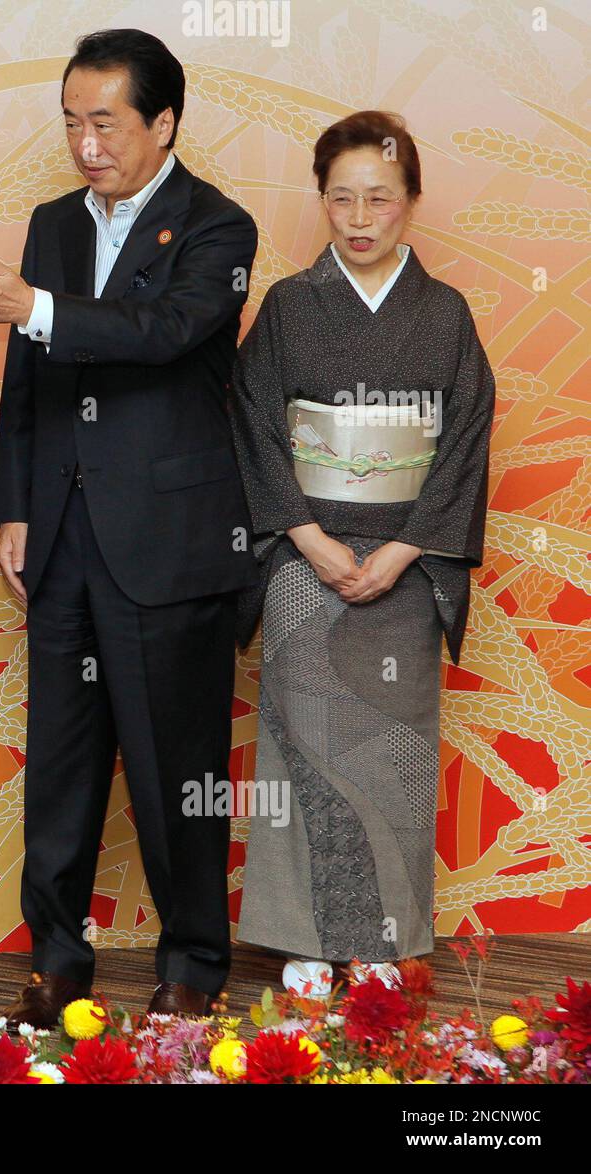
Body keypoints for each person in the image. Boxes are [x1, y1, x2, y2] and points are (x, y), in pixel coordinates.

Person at [0, 29, 259, 1026]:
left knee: (176, 765)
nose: (85, 143)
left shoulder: (218, 228)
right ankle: (57, 957)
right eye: (71, 121)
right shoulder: (51, 224)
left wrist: (27, 304)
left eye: (105, 122)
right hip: (64, 534)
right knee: (63, 762)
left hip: (169, 538)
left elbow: (157, 337)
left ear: (163, 123)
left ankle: (194, 960)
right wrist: (15, 506)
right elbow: (28, 379)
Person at [228, 110, 495, 997]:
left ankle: (384, 941)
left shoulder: (445, 315)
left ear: (411, 203)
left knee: (395, 753)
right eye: (340, 197)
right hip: (306, 564)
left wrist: (408, 545)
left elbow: (464, 438)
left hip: (408, 572)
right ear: (322, 202)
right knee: (305, 750)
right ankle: (303, 935)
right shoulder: (291, 308)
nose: (359, 215)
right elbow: (257, 422)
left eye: (379, 197)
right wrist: (306, 536)